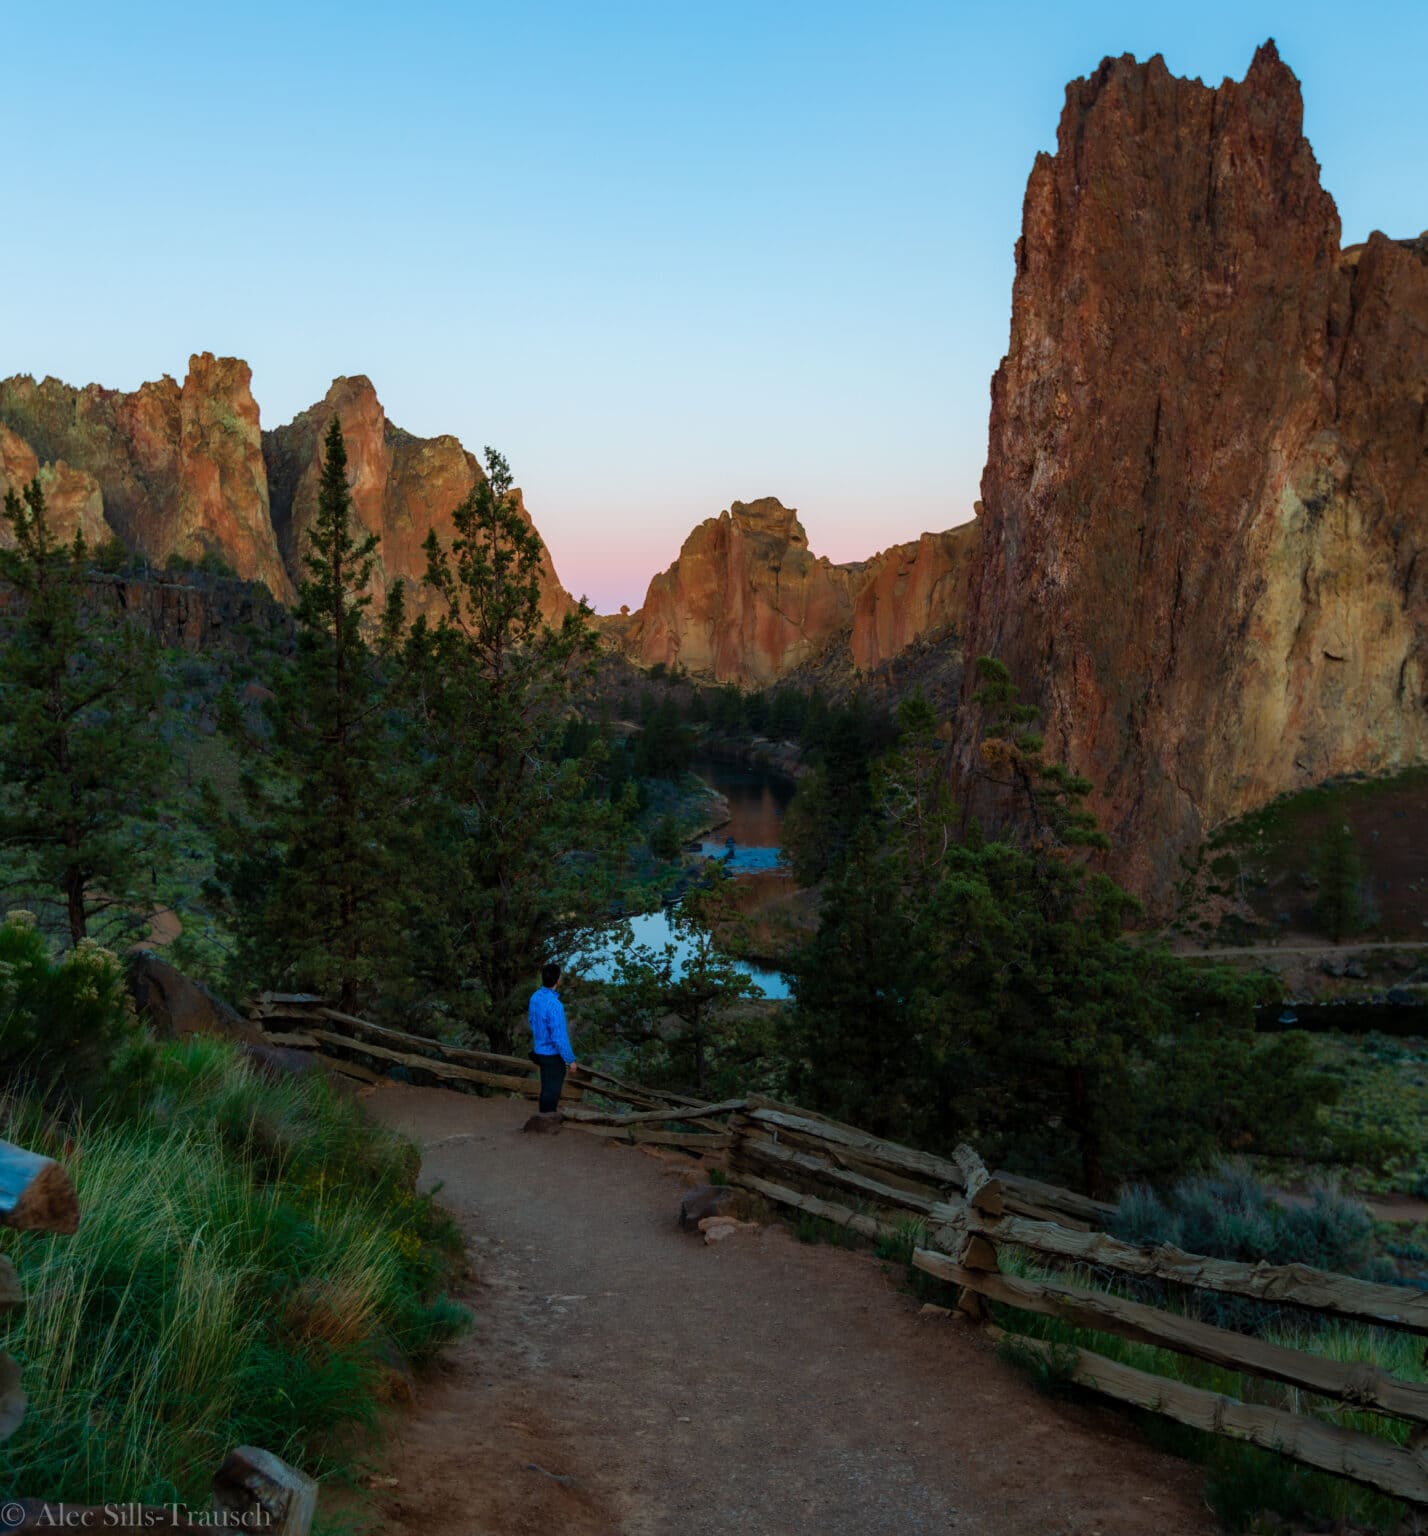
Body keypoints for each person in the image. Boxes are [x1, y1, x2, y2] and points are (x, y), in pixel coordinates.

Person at [528, 961, 577, 1113]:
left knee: (546, 1086)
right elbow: (559, 1037)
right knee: (552, 1090)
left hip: (539, 1050)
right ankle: (546, 1120)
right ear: (558, 980)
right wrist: (570, 1060)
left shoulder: (535, 997)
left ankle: (544, 1117)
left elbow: (531, 1021)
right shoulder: (555, 1005)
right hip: (551, 1054)